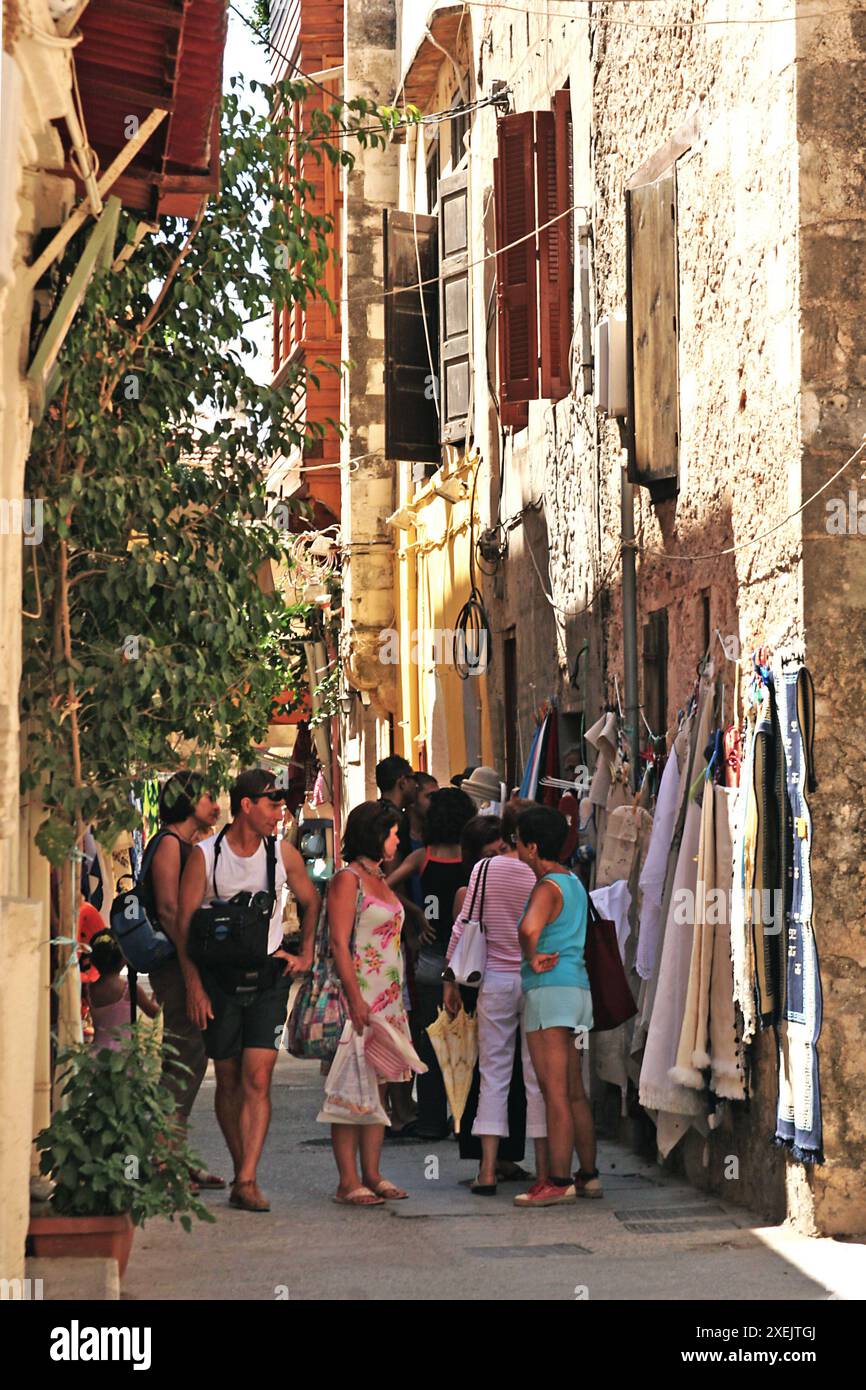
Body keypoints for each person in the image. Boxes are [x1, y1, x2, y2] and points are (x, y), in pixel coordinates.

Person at [175, 768, 320, 1213]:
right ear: (247, 805)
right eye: (273, 804)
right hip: (219, 980)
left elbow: (312, 900)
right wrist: (194, 987)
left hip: (267, 979)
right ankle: (243, 1170)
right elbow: (183, 926)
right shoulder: (206, 856)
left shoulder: (282, 854)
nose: (280, 813)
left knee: (258, 1076)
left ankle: (249, 1177)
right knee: (231, 1077)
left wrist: (306, 953)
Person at [444, 802, 545, 1193]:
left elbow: (463, 925)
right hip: (535, 978)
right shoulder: (543, 872)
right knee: (535, 1077)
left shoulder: (485, 869)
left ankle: (486, 1171)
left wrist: (451, 979)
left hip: (495, 982)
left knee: (493, 1076)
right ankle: (543, 1171)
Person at [513, 805, 601, 1208]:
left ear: (533, 847)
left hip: (548, 990)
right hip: (577, 990)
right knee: (574, 1091)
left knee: (555, 1092)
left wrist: (530, 955)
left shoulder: (547, 886)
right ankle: (588, 1175)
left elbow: (529, 928)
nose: (516, 851)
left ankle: (559, 1179)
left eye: (518, 843)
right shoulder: (573, 884)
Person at [327, 801, 413, 1206]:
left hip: (388, 997)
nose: (398, 839)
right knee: (350, 1087)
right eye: (393, 833)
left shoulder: (380, 878)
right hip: (360, 995)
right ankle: (348, 1180)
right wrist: (354, 997)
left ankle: (372, 1173)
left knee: (377, 1086)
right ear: (376, 835)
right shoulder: (349, 880)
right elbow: (338, 943)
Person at [145, 771, 223, 1188]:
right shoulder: (170, 844)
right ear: (188, 800)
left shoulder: (187, 844)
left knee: (191, 1059)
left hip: (184, 965)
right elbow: (170, 910)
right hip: (175, 967)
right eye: (209, 795)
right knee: (181, 1059)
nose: (216, 804)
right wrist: (190, 967)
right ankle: (162, 1163)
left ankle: (173, 1155)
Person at [387, 786, 475, 1140]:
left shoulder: (423, 857)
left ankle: (431, 1120)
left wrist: (417, 915)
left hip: (432, 955)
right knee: (466, 1040)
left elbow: (385, 885)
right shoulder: (473, 859)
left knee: (430, 1039)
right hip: (468, 959)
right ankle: (464, 1119)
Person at [89, 931, 160, 1051]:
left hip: (96, 1053)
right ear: (124, 959)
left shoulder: (89, 988)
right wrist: (156, 996)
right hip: (122, 1057)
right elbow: (154, 1013)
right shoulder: (129, 989)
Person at [375, 755, 417, 867]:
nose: (416, 785)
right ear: (403, 782)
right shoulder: (394, 818)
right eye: (413, 779)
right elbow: (392, 868)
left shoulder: (374, 811)